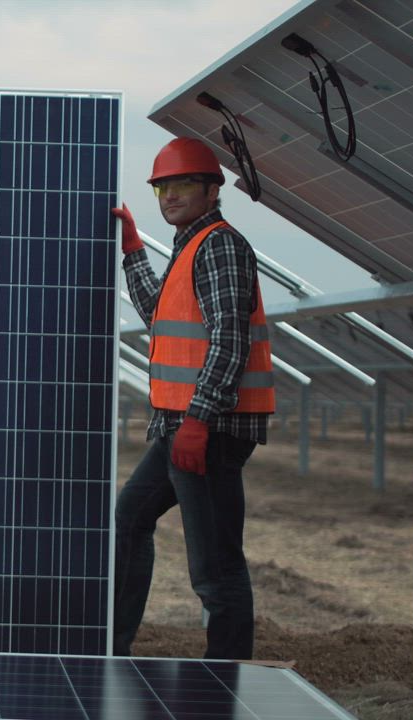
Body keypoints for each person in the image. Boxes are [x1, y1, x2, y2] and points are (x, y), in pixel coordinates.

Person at [110, 137, 275, 660]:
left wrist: (200, 420)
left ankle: (224, 679)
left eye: (182, 184)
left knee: (215, 565)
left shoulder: (221, 245)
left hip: (209, 430)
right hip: (180, 426)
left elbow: (229, 336)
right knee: (131, 516)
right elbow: (159, 314)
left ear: (211, 191)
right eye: (162, 187)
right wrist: (133, 248)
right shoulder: (190, 244)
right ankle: (112, 642)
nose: (169, 195)